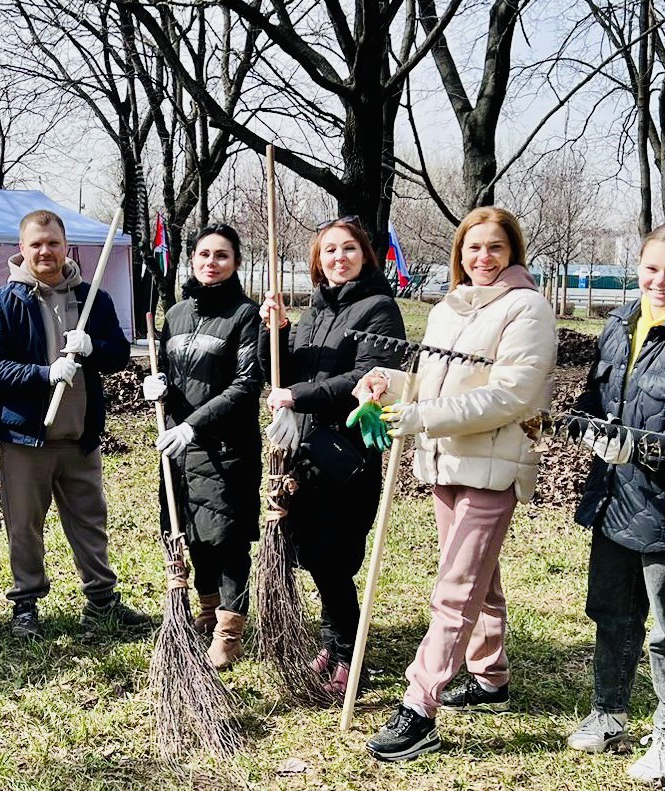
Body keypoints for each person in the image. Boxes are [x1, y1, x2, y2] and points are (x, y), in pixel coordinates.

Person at [354, 206, 556, 761]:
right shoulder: (448, 307)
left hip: (493, 464)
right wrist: (392, 385)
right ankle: (491, 679)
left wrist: (425, 418)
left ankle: (420, 706)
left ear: (513, 251)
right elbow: (435, 380)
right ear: (459, 252)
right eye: (473, 247)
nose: (482, 257)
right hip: (445, 460)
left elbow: (511, 395)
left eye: (494, 247)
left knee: (456, 585)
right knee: (476, 577)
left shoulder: (527, 308)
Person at [567, 220, 665, 787]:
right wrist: (583, 424)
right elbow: (594, 393)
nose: (660, 281)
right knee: (611, 613)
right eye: (651, 268)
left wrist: (645, 446)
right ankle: (609, 712)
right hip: (615, 501)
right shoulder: (621, 322)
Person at [0, 209, 147, 639]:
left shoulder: (92, 298)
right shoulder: (4, 301)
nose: (45, 251)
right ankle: (26, 604)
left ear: (66, 246)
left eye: (52, 243)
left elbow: (119, 355)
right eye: (36, 244)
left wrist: (92, 347)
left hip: (79, 437)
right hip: (26, 438)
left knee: (90, 520)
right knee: (25, 526)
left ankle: (102, 600)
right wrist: (43, 374)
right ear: (23, 248)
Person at [257, 217, 405, 694]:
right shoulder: (314, 310)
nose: (339, 258)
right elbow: (279, 371)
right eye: (329, 251)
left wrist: (298, 395)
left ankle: (348, 652)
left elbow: (365, 377)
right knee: (314, 553)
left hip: (346, 454)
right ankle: (332, 639)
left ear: (365, 255)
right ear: (318, 261)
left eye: (349, 249)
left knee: (334, 556)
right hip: (303, 451)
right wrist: (274, 332)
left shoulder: (379, 308)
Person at [141, 224, 262, 669]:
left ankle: (230, 631)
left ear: (235, 263)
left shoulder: (245, 315)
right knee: (192, 534)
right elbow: (176, 377)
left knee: (226, 539)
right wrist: (159, 388)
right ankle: (207, 612)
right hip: (180, 447)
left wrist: (193, 425)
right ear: (191, 259)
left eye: (222, 256)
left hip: (226, 447)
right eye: (203, 254)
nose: (211, 262)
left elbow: (247, 384)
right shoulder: (176, 315)